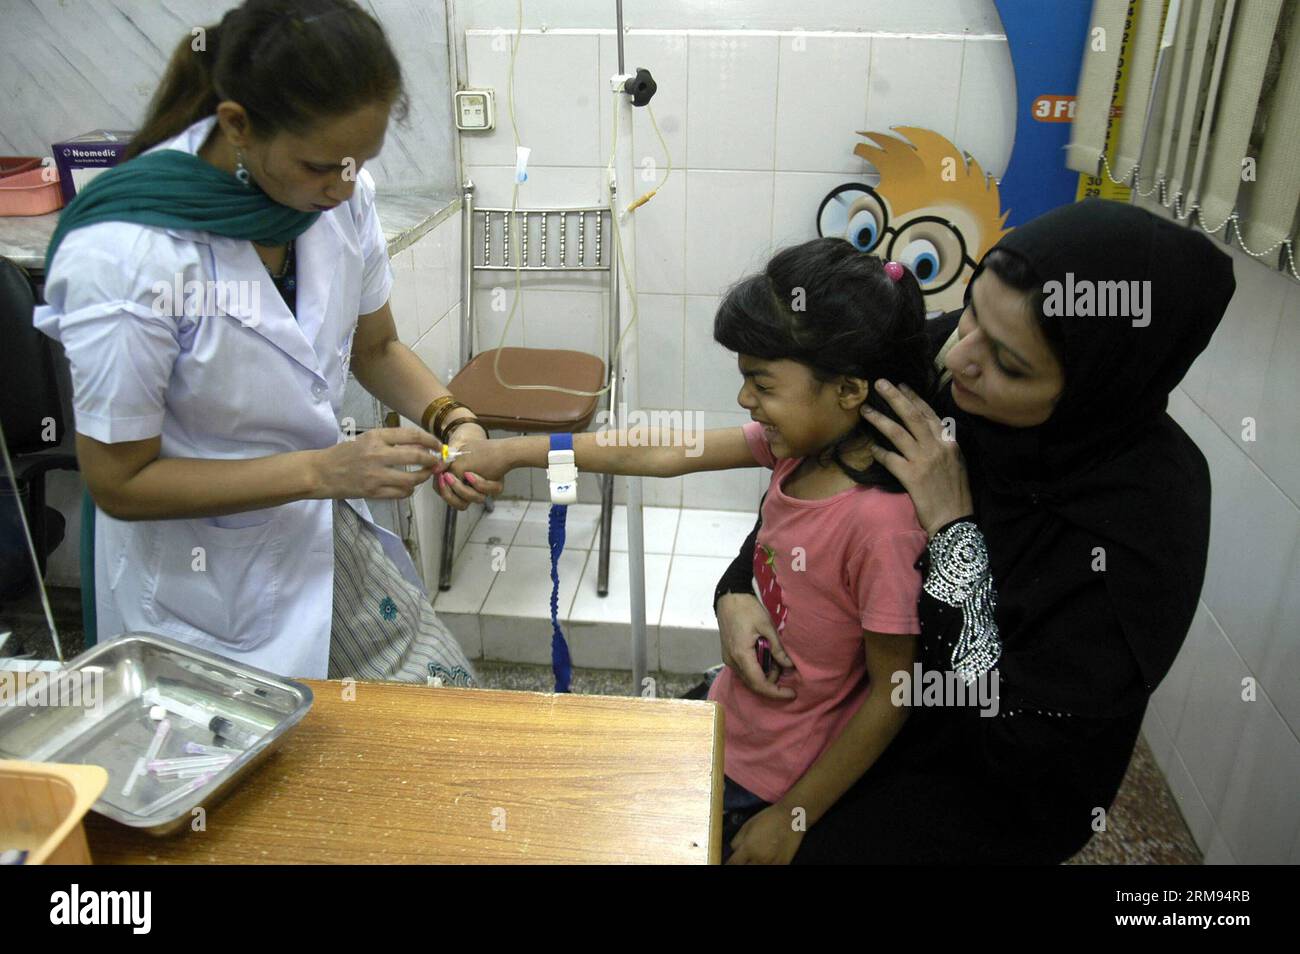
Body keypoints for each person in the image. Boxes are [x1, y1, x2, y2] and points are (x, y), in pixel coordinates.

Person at [714, 198, 1236, 863]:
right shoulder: (952, 355)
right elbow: (818, 463)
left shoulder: (1146, 521)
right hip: (864, 702)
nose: (959, 358)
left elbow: (1016, 736)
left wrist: (954, 533)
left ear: (1092, 387)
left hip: (985, 779)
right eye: (970, 313)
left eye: (1011, 365)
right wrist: (737, 591)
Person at [34, 0, 500, 683]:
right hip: (201, 583)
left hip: (321, 533)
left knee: (444, 723)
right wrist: (323, 471)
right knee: (271, 780)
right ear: (238, 126)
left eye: (357, 161)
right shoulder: (128, 254)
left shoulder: (338, 197)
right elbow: (119, 481)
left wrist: (454, 418)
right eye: (320, 167)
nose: (343, 187)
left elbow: (377, 349)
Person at [463, 239, 937, 863]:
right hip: (732, 720)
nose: (746, 401)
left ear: (847, 390)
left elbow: (893, 695)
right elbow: (656, 449)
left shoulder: (882, 524)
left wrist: (793, 819)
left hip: (772, 781)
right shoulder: (797, 449)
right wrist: (512, 451)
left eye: (761, 384)